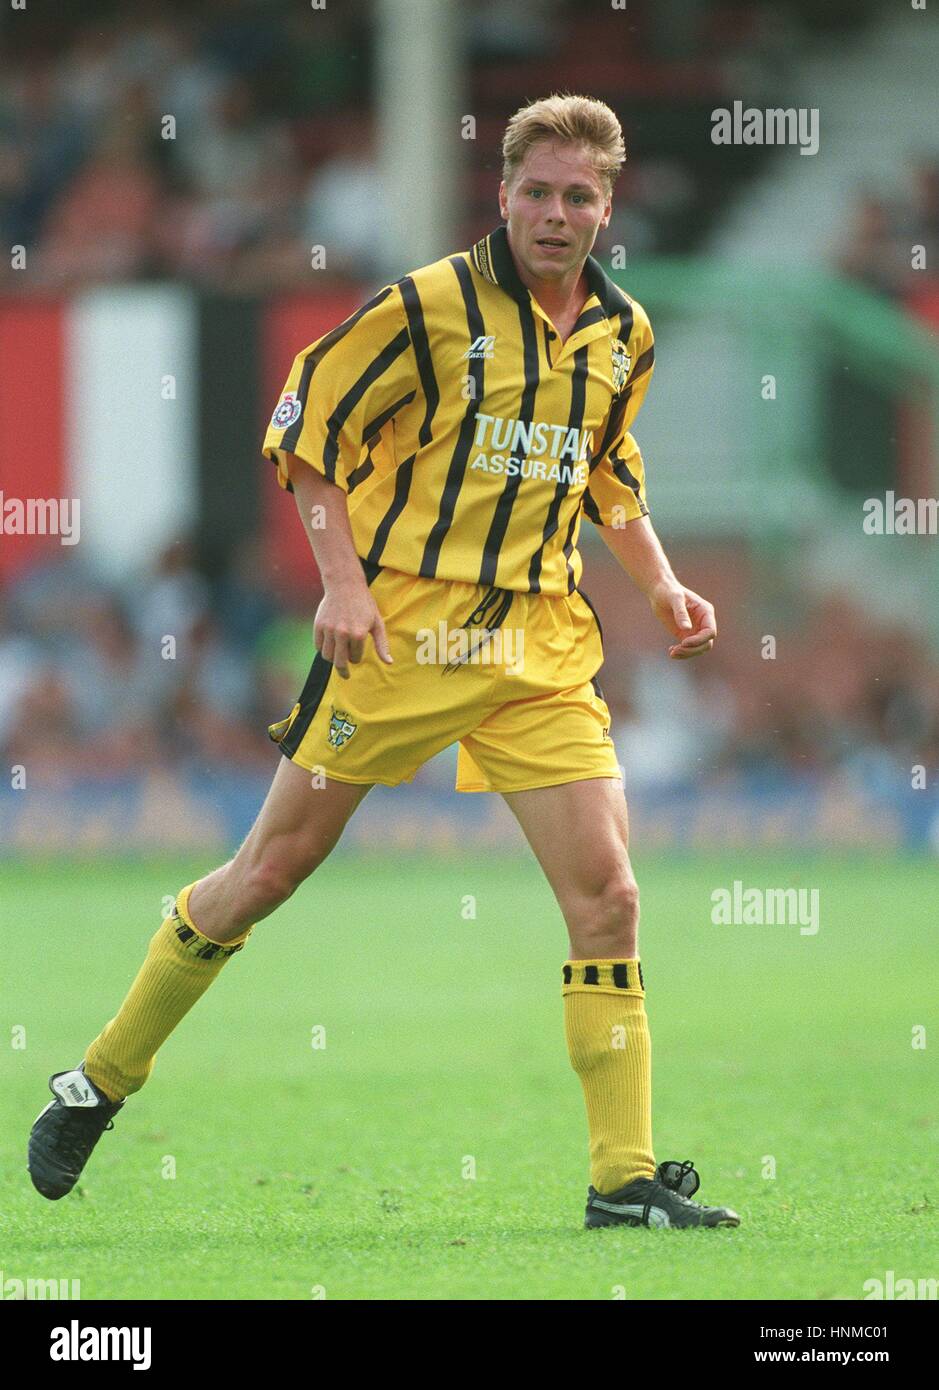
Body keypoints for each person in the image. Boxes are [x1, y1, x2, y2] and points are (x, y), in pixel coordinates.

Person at [29, 94, 738, 1231]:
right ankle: (101, 1078)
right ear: (502, 195)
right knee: (266, 873)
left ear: (608, 207)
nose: (557, 214)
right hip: (403, 633)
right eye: (538, 192)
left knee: (608, 897)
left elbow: (606, 466)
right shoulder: (426, 308)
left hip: (540, 643)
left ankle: (623, 1177)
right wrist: (343, 585)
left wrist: (657, 581)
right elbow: (304, 433)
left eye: (580, 196)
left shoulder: (624, 333)